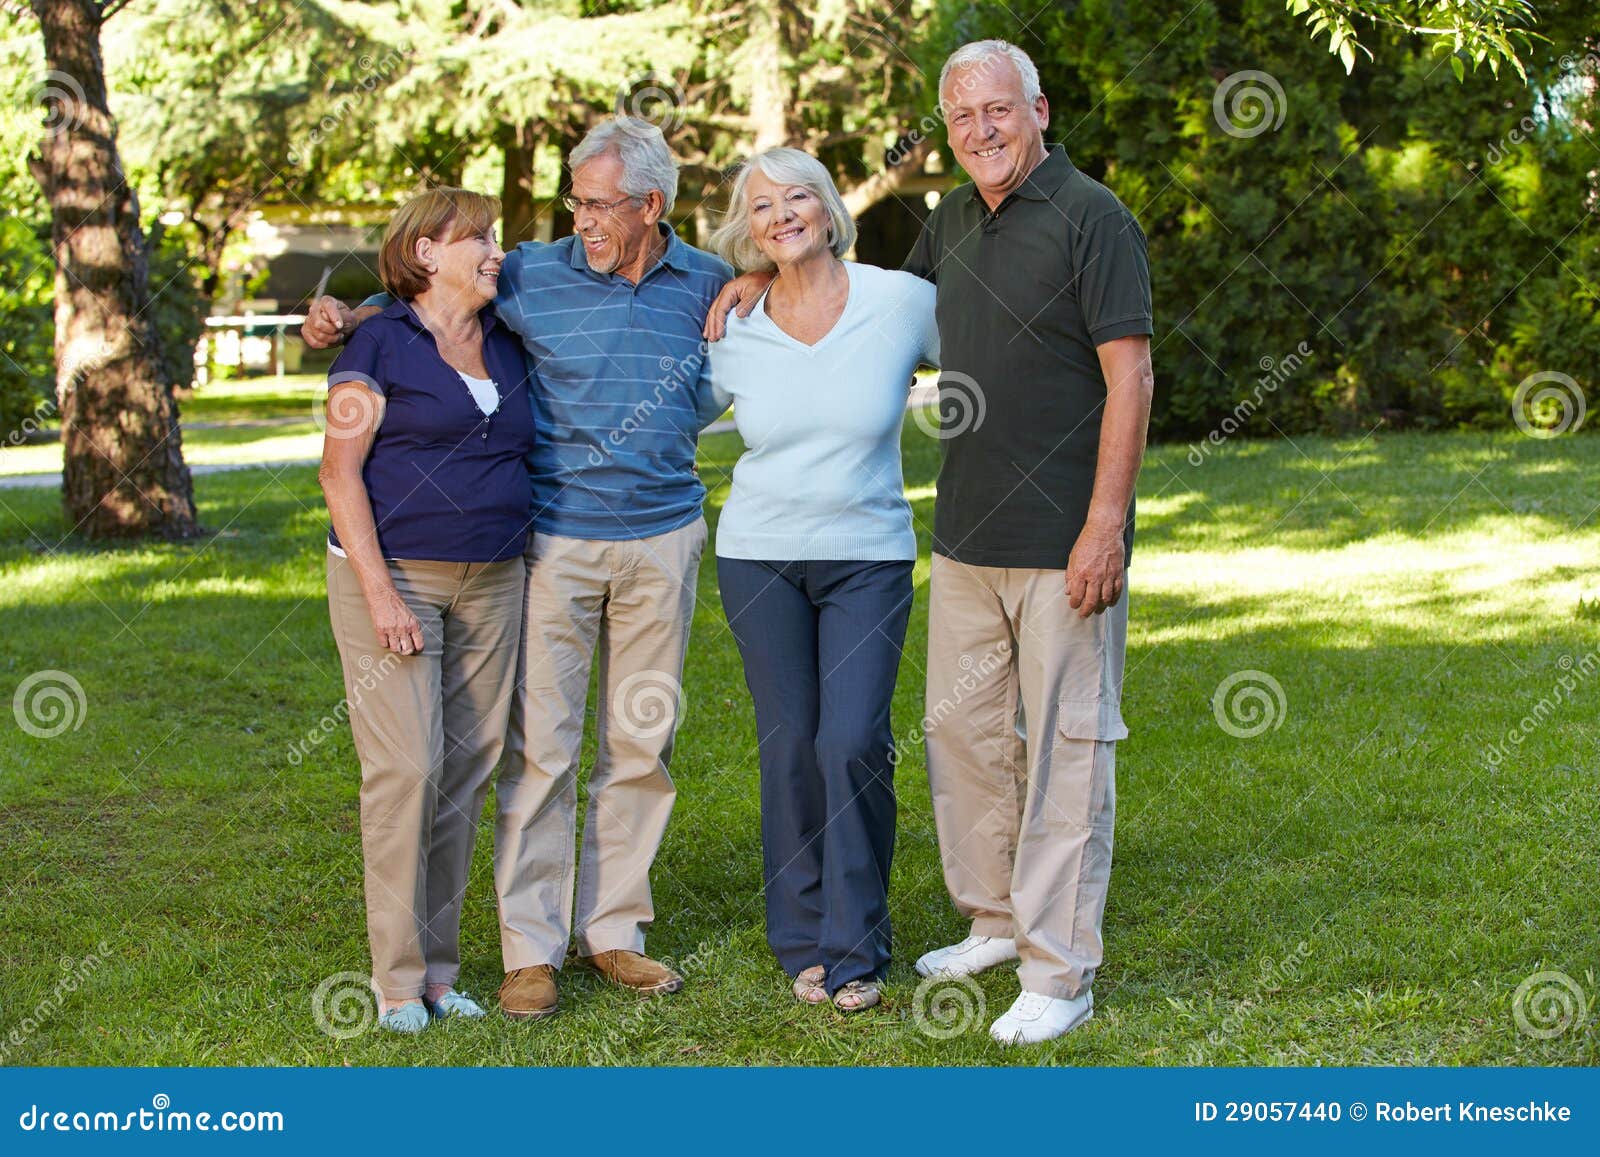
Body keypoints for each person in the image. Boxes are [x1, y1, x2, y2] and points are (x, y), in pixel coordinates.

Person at [706, 40, 1155, 1044]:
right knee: (966, 742)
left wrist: (1103, 525)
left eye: (998, 110)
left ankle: (1059, 968)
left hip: (1062, 540)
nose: (982, 131)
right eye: (962, 119)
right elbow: (857, 314)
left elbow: (1130, 378)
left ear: (1038, 108)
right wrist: (746, 278)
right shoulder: (951, 222)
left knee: (1066, 753)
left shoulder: (1093, 218)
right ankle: (993, 919)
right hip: (962, 537)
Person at [305, 118, 732, 1021]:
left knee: (640, 739)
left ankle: (614, 930)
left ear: (651, 205)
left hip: (664, 535)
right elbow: (426, 305)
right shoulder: (534, 273)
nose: (577, 218)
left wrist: (762, 276)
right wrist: (349, 317)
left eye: (596, 204)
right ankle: (529, 950)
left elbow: (792, 283)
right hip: (554, 542)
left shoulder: (707, 281)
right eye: (573, 201)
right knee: (539, 747)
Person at [703, 147, 938, 1013]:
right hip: (757, 553)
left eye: (797, 196)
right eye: (761, 207)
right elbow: (667, 401)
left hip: (868, 555)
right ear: (748, 231)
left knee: (852, 741)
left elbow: (997, 353)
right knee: (791, 743)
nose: (781, 214)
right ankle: (805, 938)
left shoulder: (902, 301)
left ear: (830, 209)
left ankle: (857, 943)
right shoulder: (732, 324)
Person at [318, 187, 535, 1034]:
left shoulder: (507, 337)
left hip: (496, 577)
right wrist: (378, 591)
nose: (495, 250)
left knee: (464, 774)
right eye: (476, 237)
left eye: (494, 237)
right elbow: (339, 473)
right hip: (394, 575)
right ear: (424, 254)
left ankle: (441, 972)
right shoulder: (375, 341)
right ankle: (396, 980)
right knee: (406, 771)